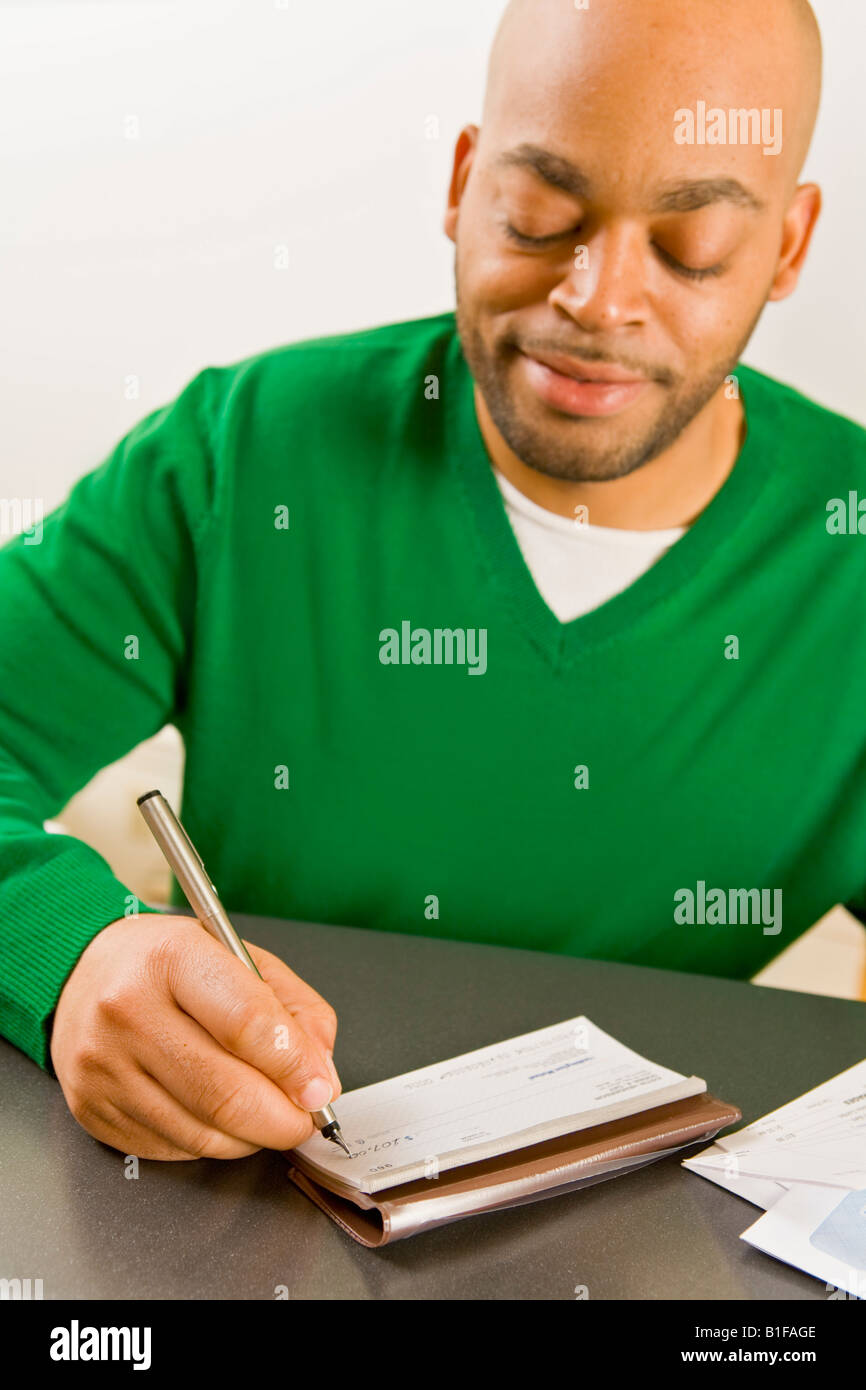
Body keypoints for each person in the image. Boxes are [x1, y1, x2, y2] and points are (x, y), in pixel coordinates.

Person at [1, 0, 857, 1164]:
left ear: (789, 247)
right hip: (241, 1206)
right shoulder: (239, 453)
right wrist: (67, 949)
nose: (597, 301)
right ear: (462, 184)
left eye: (689, 246)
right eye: (536, 213)